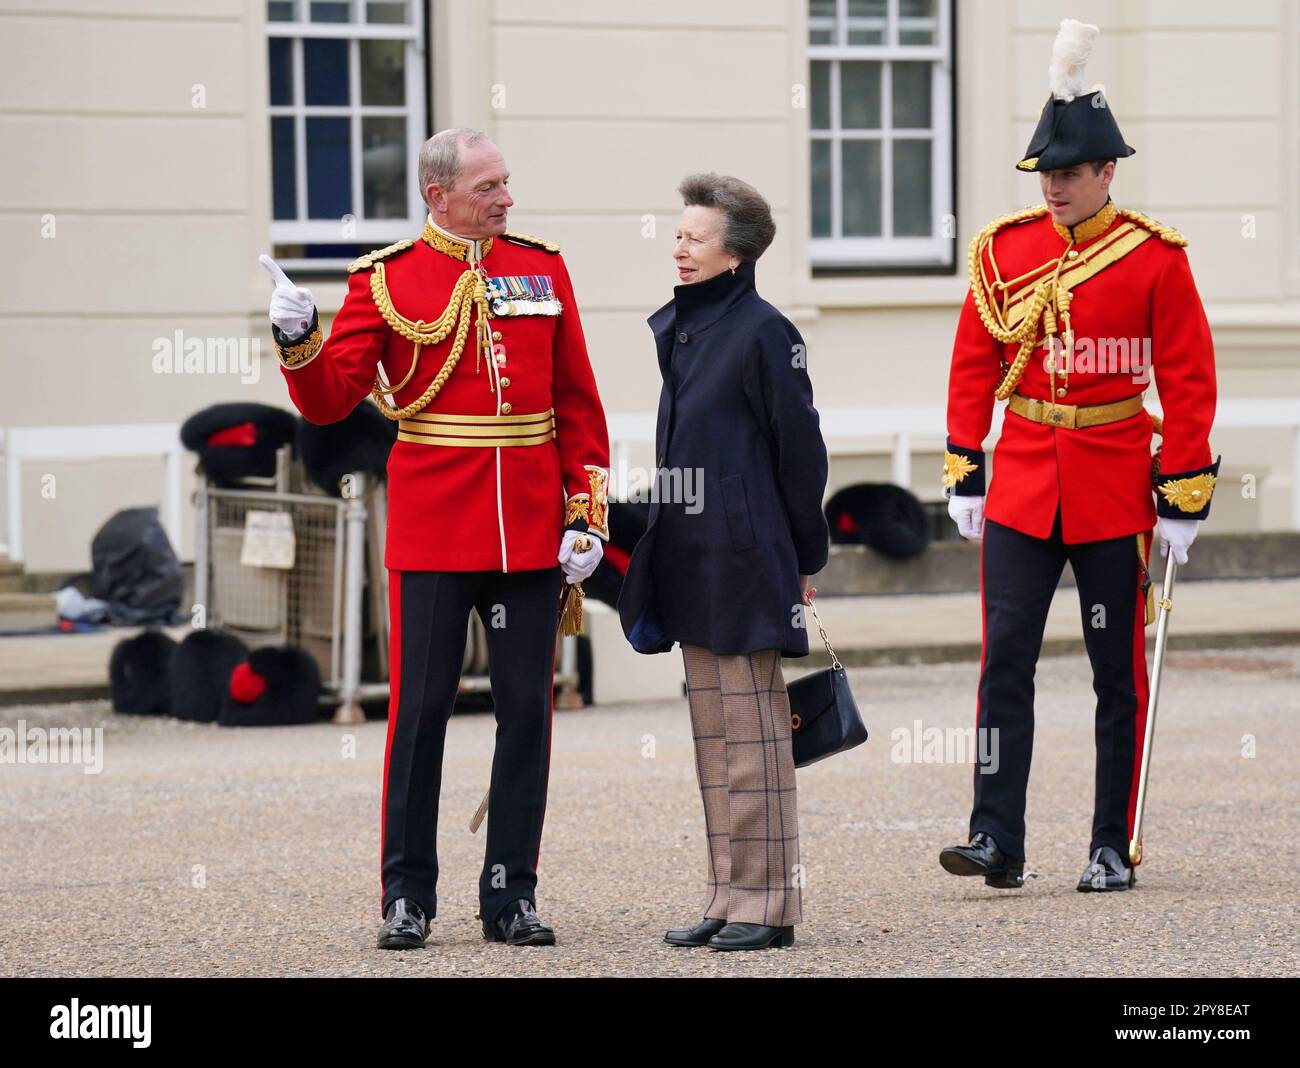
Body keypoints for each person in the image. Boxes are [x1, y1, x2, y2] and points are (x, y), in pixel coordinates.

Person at [261, 128, 610, 948]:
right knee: (420, 714)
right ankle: (407, 896)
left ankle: (509, 893)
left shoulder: (543, 267)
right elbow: (330, 400)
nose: (507, 199)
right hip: (434, 528)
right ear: (438, 194)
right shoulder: (385, 280)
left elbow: (577, 402)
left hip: (527, 527)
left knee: (527, 711)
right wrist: (297, 339)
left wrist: (584, 511)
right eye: (489, 186)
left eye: (506, 183)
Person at [939, 21, 1220, 893]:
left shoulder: (1154, 259)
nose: (1054, 188)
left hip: (1113, 489)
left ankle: (1111, 841)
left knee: (1116, 679)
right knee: (1004, 668)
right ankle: (996, 838)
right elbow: (974, 362)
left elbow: (1189, 379)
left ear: (1107, 172)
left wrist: (1182, 492)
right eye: (1046, 174)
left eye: (1069, 174)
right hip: (1024, 484)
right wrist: (965, 464)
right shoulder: (1003, 251)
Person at [618, 174, 830, 950]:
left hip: (746, 557)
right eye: (678, 234)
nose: (679, 246)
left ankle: (769, 905)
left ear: (735, 255)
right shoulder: (685, 326)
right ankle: (727, 892)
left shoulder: (766, 331)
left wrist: (806, 553)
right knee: (715, 736)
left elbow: (800, 451)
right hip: (691, 554)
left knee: (755, 736)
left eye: (695, 237)